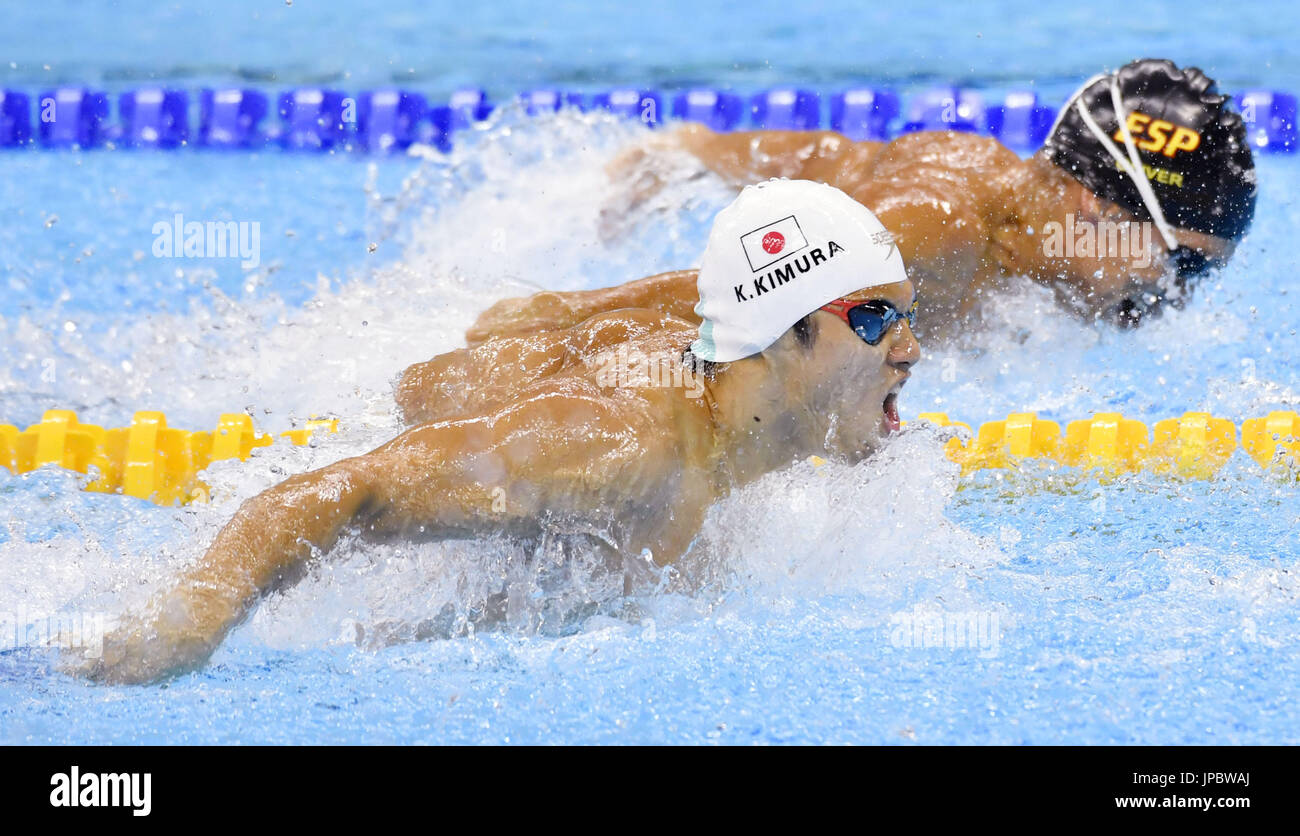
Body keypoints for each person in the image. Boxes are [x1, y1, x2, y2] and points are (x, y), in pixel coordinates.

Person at [72, 180, 921, 685]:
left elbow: (730, 289)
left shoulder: (759, 394)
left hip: (554, 361)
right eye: (878, 320)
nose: (913, 350)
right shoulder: (617, 447)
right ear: (785, 337)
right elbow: (351, 492)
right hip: (389, 398)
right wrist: (193, 618)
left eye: (907, 316)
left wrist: (579, 308)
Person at [470, 58, 1256, 346]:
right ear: (1100, 212)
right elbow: (717, 306)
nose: (1173, 299)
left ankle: (676, 152)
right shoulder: (938, 229)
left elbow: (823, 159)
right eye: (1181, 263)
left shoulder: (1023, 257)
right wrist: (536, 330)